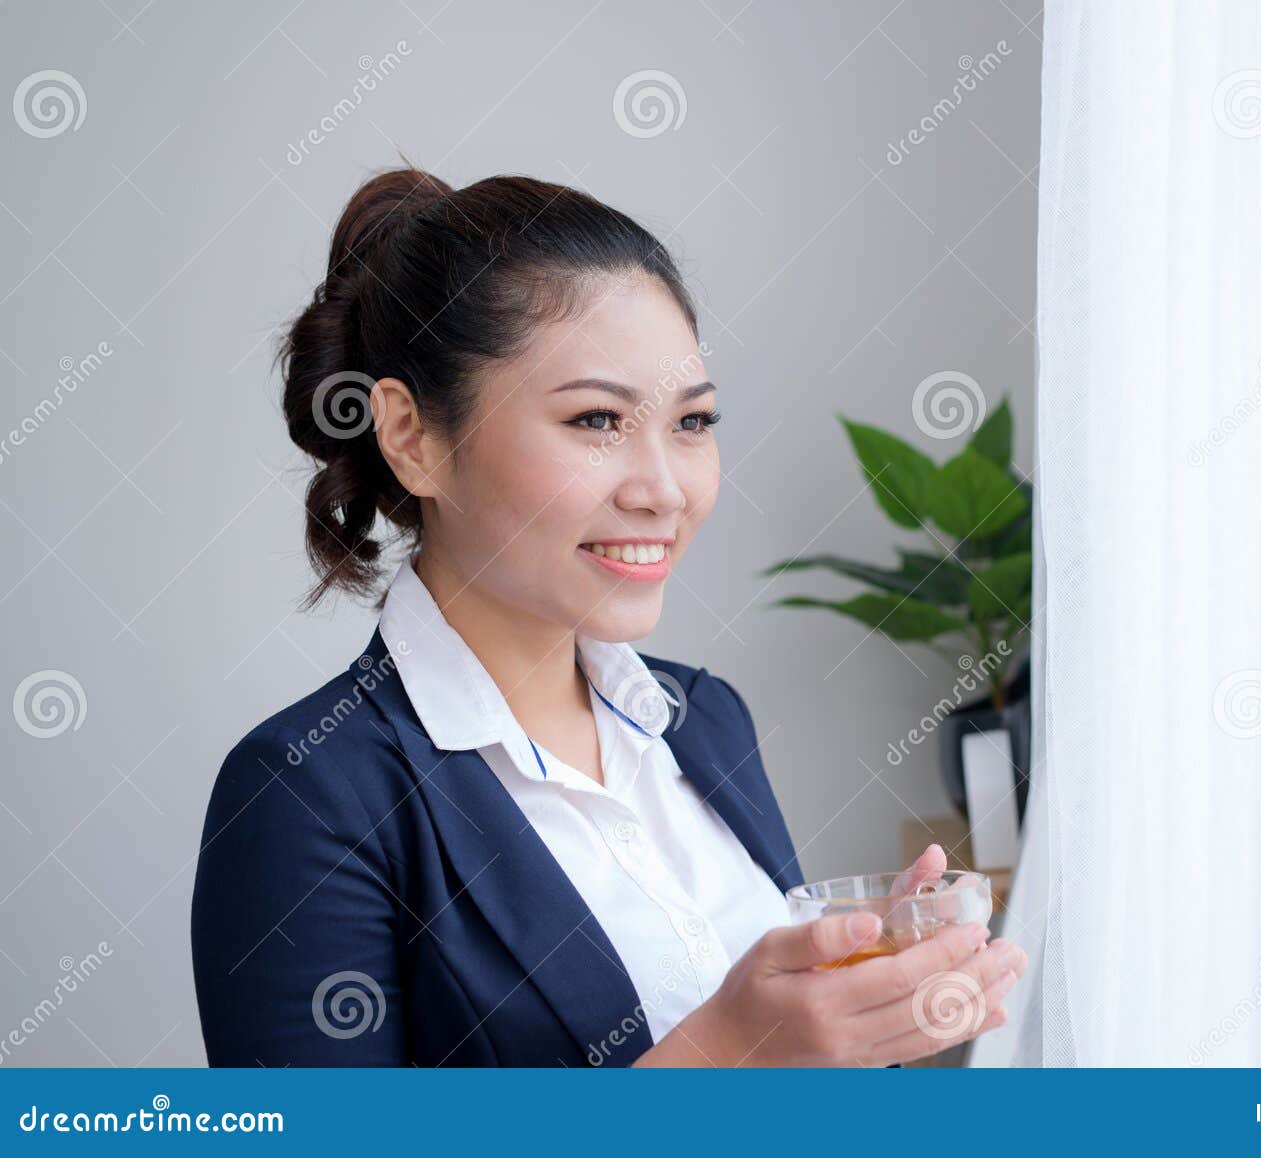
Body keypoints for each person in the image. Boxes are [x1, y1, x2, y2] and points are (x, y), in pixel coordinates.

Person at [189, 168, 1026, 1066]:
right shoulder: (305, 793)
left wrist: (857, 1007)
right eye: (596, 420)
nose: (663, 490)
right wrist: (729, 1059)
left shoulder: (703, 720)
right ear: (412, 437)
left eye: (692, 423)